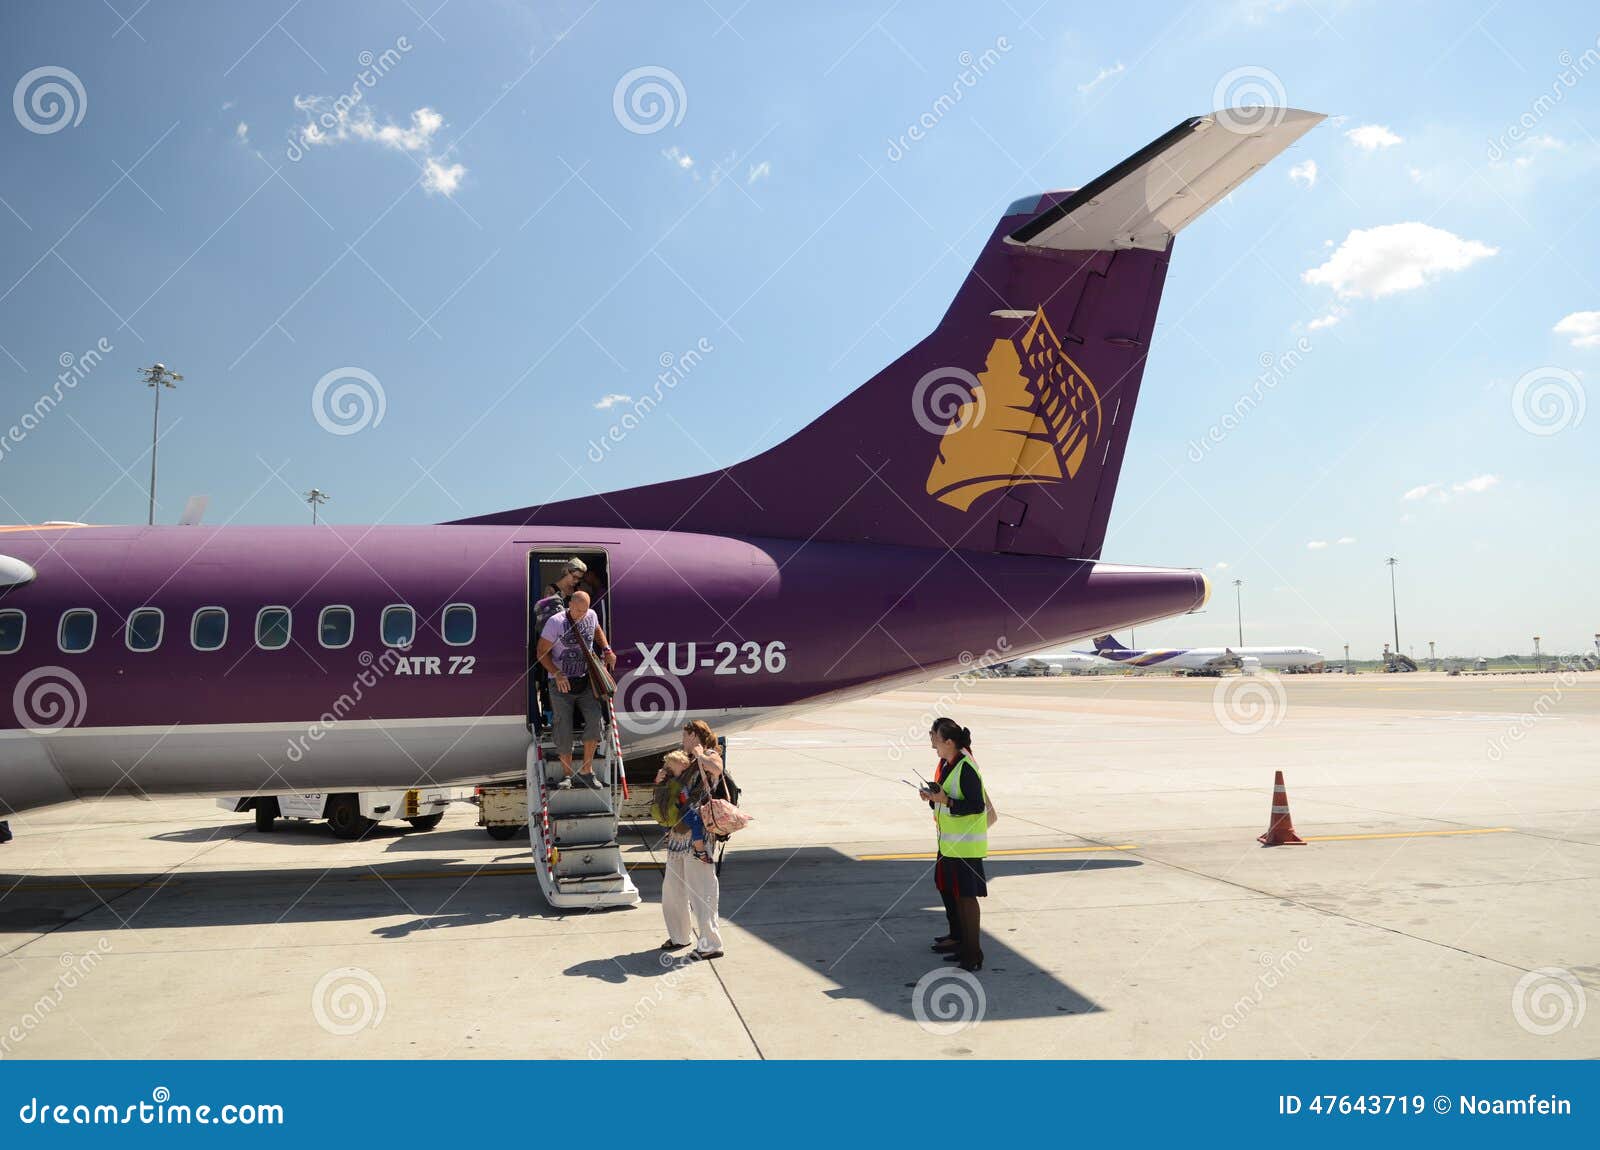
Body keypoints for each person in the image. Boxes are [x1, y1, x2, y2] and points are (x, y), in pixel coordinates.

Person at [921, 718, 988, 972]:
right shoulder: (948, 764)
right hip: (951, 844)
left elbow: (976, 806)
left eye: (934, 736)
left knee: (967, 900)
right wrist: (932, 798)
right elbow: (946, 799)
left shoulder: (965, 767)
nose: (931, 741)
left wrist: (945, 801)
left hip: (965, 847)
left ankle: (973, 954)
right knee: (956, 896)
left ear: (948, 741)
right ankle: (964, 946)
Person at [656, 720, 727, 960]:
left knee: (702, 889)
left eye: (685, 736)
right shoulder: (683, 761)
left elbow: (717, 769)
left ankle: (711, 943)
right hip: (678, 833)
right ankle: (679, 935)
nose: (682, 740)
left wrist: (699, 755)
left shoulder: (707, 754)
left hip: (699, 834)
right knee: (672, 890)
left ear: (695, 736)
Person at [535, 590, 617, 787]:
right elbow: (541, 652)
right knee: (563, 727)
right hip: (561, 682)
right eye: (578, 610)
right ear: (569, 605)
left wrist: (606, 649)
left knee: (594, 721)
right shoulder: (555, 622)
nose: (582, 614)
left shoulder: (591, 615)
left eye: (585, 610)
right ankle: (566, 775)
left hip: (586, 679)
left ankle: (587, 771)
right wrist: (556, 673)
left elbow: (596, 629)